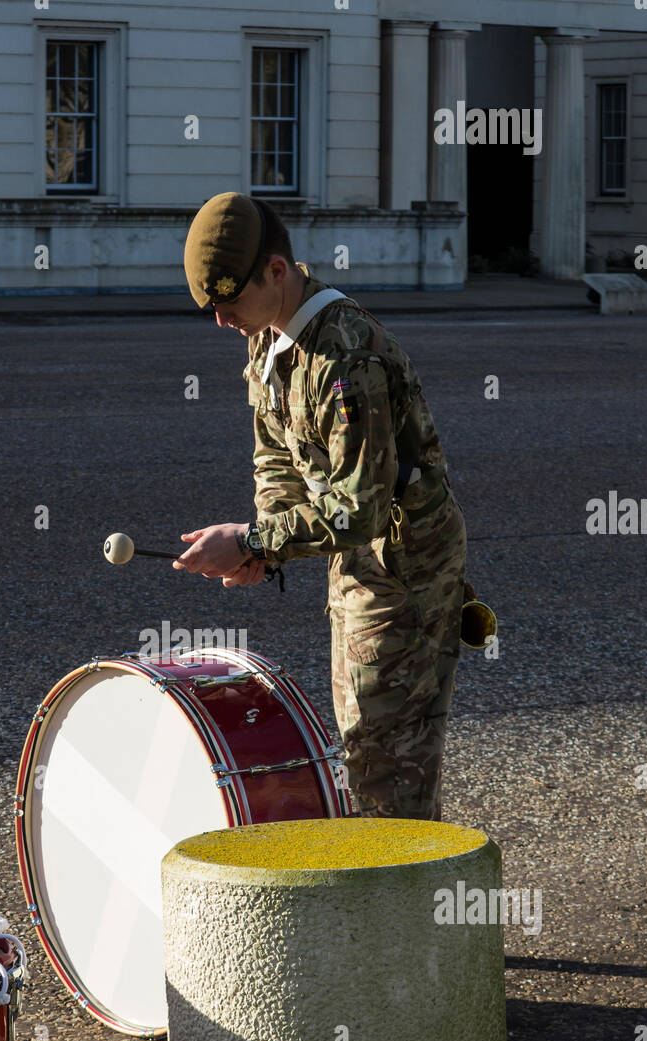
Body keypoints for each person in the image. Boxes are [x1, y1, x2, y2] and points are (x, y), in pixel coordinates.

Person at [175, 191, 467, 821]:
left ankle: (410, 905)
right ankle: (395, 892)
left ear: (277, 272)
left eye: (231, 304)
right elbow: (276, 457)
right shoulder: (269, 333)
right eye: (214, 309)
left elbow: (360, 509)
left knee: (386, 762)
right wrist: (264, 539)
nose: (223, 322)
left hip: (404, 574)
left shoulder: (346, 357)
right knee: (366, 746)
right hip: (359, 564)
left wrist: (256, 542)